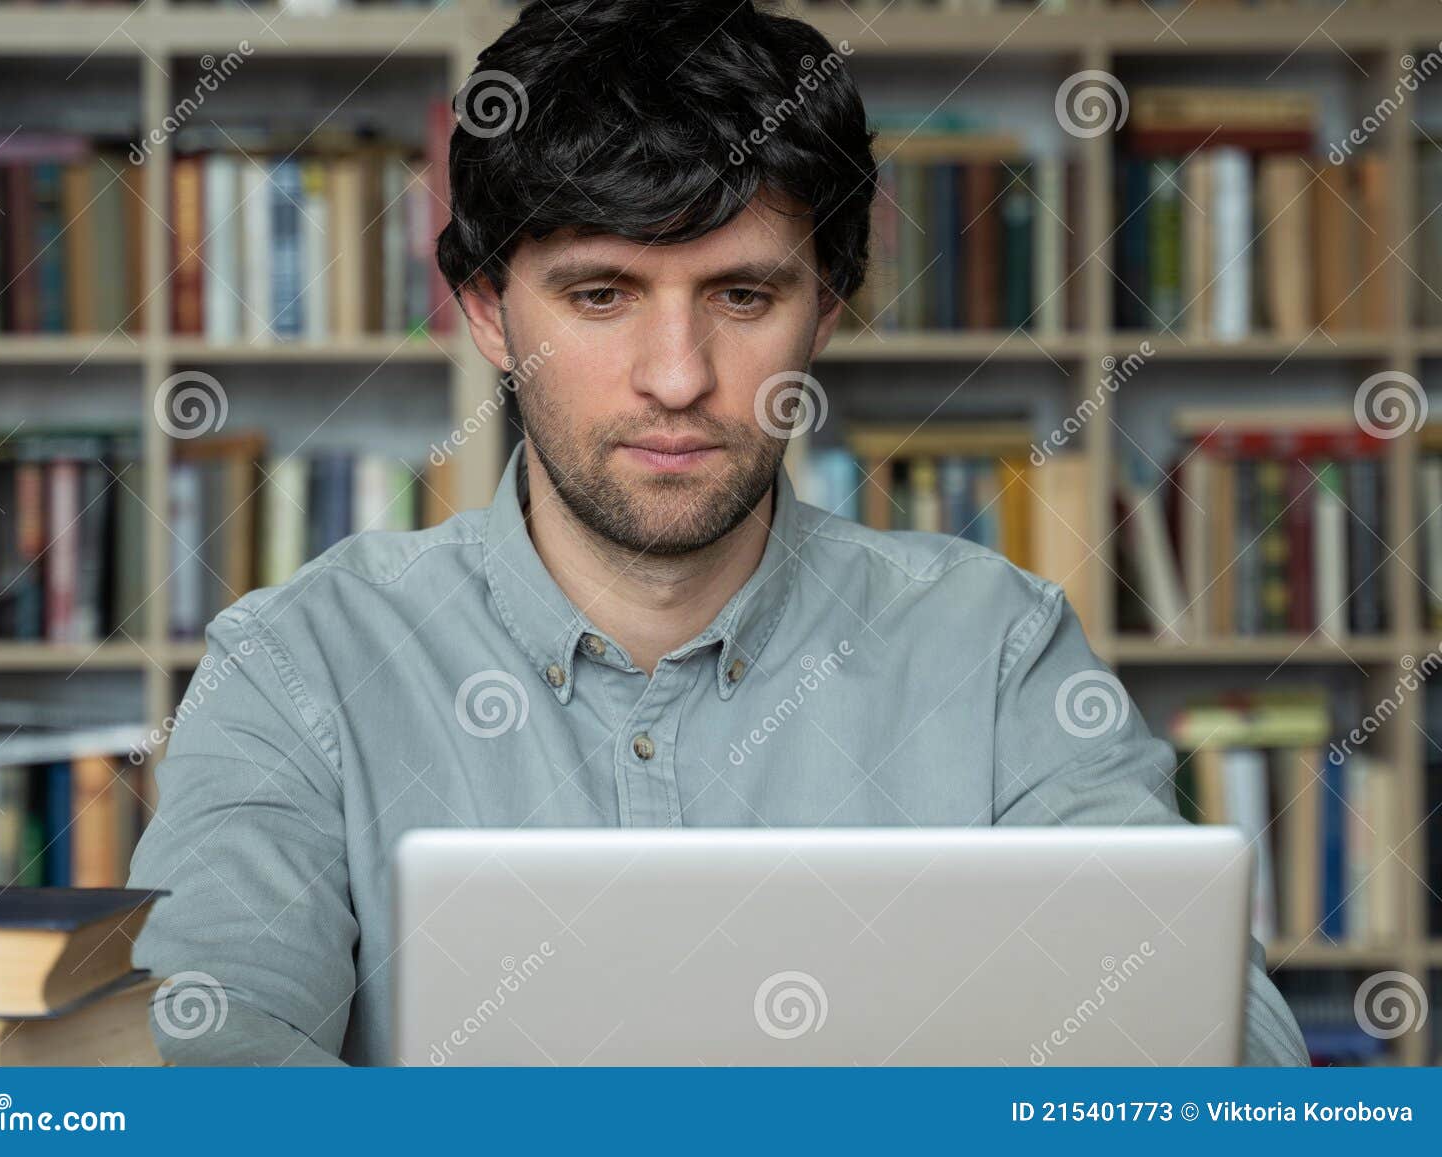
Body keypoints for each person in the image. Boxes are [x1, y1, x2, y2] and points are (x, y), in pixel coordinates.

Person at [128, 0, 1309, 1066]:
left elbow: (1218, 1050)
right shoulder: (301, 663)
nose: (678, 378)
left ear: (825, 310)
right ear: (489, 312)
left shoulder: (993, 648)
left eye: (742, 296)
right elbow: (203, 1049)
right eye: (601, 295)